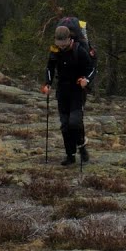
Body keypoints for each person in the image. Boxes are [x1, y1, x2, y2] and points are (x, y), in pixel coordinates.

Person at [42, 23, 95, 166]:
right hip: (62, 91)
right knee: (65, 125)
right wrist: (48, 83)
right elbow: (50, 67)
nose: (61, 46)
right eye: (59, 43)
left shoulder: (79, 50)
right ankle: (70, 155)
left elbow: (91, 68)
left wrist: (86, 80)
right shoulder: (55, 51)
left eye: (63, 43)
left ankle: (82, 146)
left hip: (77, 90)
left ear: (69, 39)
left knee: (74, 122)